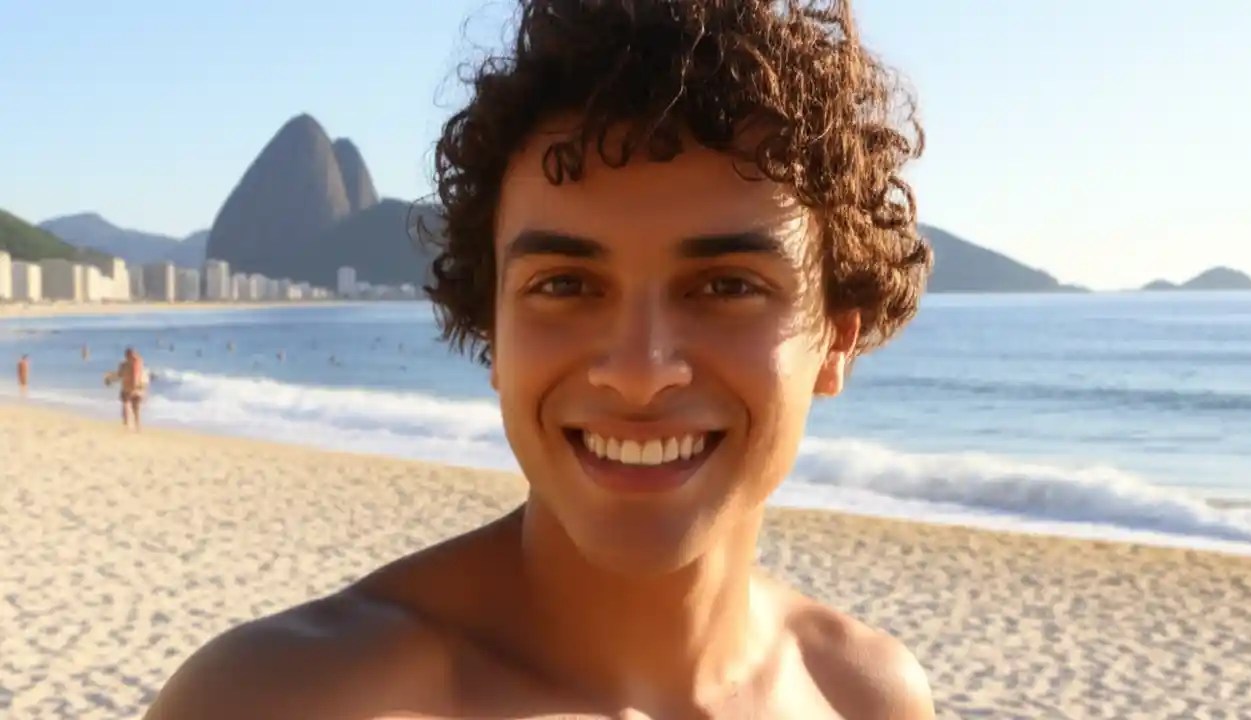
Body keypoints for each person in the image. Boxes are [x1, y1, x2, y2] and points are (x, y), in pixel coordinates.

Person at [145, 2, 934, 718]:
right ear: (493, 327)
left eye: (727, 285)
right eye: (565, 284)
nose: (639, 370)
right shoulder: (285, 702)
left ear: (834, 339)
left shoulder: (866, 698)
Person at [104, 347, 148, 431]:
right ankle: (137, 426)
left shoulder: (124, 365)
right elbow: (144, 378)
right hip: (139, 389)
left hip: (129, 389)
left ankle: (128, 425)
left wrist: (110, 378)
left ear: (126, 356)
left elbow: (119, 375)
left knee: (126, 405)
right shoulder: (140, 364)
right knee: (136, 408)